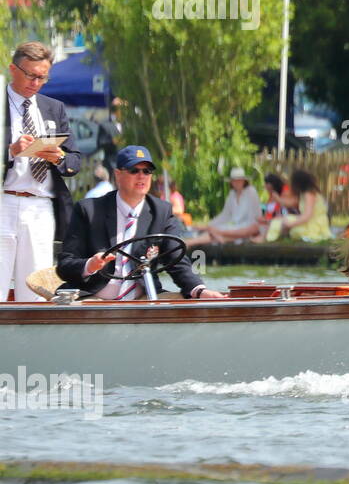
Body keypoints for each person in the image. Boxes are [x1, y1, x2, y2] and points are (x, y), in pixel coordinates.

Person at [57, 146, 225, 299]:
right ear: (118, 175)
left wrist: (199, 290)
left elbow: (178, 261)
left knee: (194, 308)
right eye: (134, 170)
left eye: (147, 171)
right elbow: (65, 265)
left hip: (145, 298)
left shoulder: (162, 211)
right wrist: (90, 265)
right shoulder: (88, 210)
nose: (142, 176)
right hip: (94, 299)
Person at [3, 41, 83, 301]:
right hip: (4, 199)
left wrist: (59, 157)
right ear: (13, 69)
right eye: (31, 75)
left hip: (40, 205)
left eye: (43, 77)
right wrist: (10, 151)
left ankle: (30, 338)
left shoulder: (53, 107)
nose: (36, 82)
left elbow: (75, 160)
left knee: (36, 286)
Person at [187, 167, 262, 245]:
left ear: (244, 180)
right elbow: (225, 215)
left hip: (247, 229)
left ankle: (189, 243)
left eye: (239, 180)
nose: (237, 182)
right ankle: (189, 242)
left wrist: (215, 229)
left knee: (216, 232)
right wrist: (208, 225)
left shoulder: (251, 192)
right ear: (231, 182)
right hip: (234, 228)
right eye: (234, 180)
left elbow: (254, 222)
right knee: (211, 231)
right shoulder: (232, 194)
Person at [270, 170, 331, 241]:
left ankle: (275, 239)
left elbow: (307, 215)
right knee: (279, 220)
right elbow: (291, 204)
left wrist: (291, 224)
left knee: (283, 224)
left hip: (314, 224)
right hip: (309, 221)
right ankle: (278, 238)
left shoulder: (309, 194)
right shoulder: (304, 194)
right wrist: (278, 199)